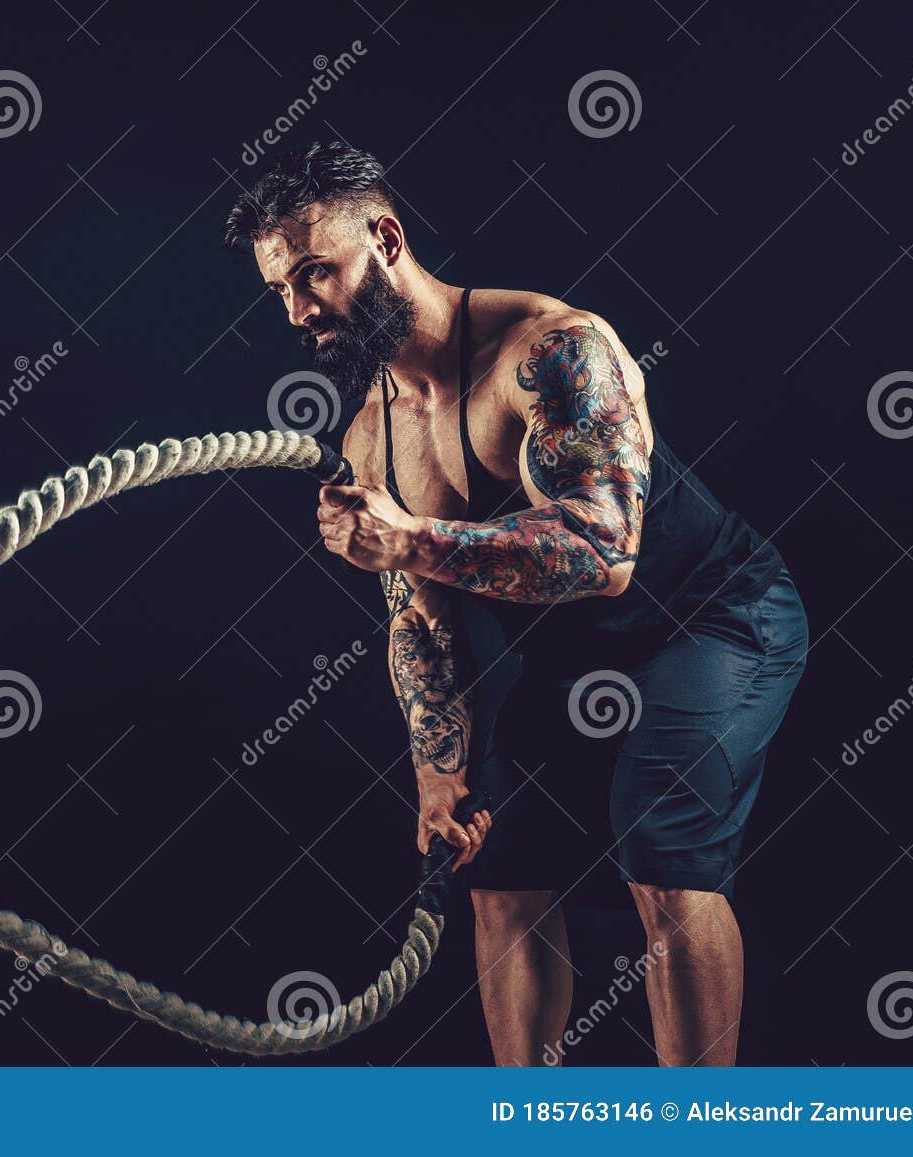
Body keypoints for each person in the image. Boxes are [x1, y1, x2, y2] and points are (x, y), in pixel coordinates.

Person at [222, 142, 807, 1067]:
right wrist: (437, 769)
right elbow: (420, 621)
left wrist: (411, 536)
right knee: (496, 864)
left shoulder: (551, 350)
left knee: (658, 837)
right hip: (579, 661)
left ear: (384, 238)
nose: (298, 311)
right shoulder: (372, 434)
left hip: (718, 618)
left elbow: (603, 550)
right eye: (279, 291)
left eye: (313, 275)